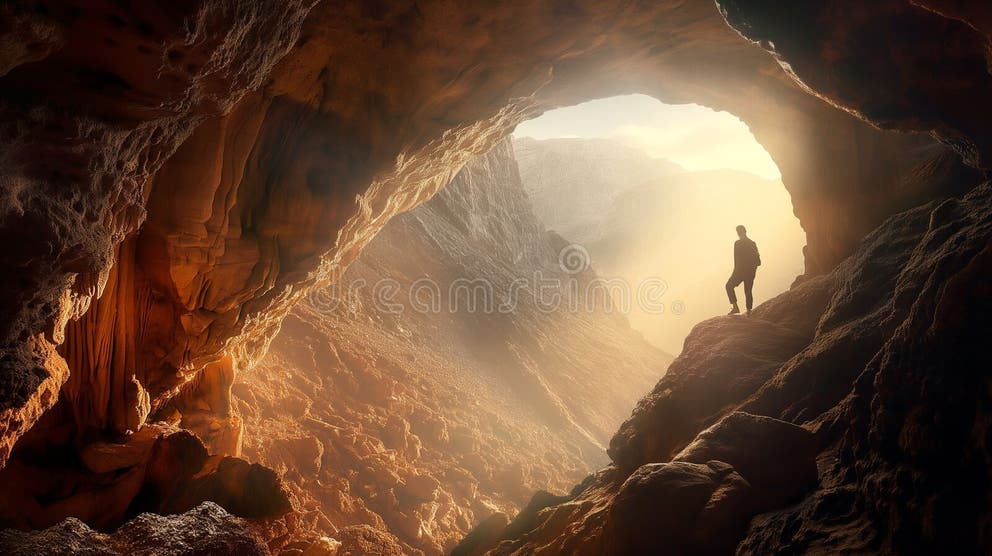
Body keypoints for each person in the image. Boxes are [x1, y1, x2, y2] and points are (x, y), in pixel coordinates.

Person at [726, 225, 760, 315]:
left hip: (740, 272)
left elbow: (736, 261)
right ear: (745, 231)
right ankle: (749, 312)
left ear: (739, 233)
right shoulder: (752, 243)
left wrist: (734, 274)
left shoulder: (737, 243)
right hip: (750, 272)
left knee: (729, 286)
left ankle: (735, 307)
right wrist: (753, 271)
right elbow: (758, 261)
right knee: (748, 291)